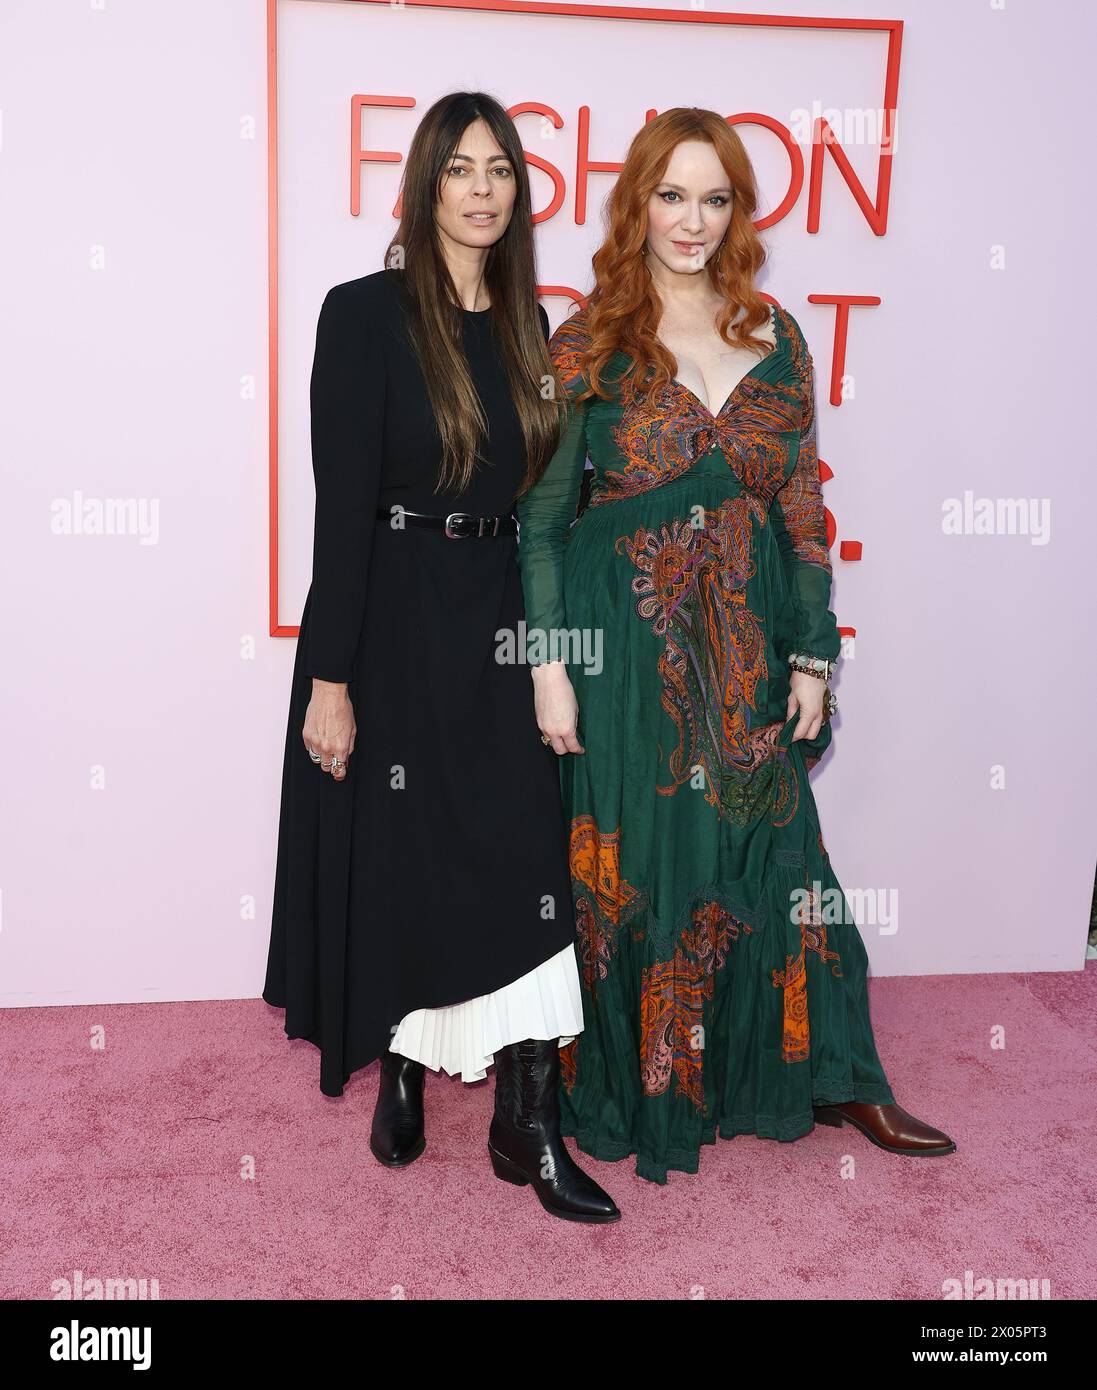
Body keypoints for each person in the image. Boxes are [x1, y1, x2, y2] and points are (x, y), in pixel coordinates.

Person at [516, 107, 956, 1185]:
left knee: (779, 852)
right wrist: (546, 664)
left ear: (737, 211)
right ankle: (636, 1085)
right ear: (636, 203)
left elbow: (801, 502)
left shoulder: (775, 333)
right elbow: (538, 520)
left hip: (750, 645)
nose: (691, 219)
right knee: (642, 871)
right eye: (671, 195)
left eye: (714, 198)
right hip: (621, 651)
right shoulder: (587, 340)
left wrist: (813, 653)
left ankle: (838, 1073)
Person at [263, 91, 620, 1223]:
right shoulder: (361, 314)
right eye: (459, 167)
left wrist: (548, 654)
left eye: (500, 169)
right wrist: (330, 679)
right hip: (394, 613)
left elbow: (547, 515)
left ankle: (528, 1119)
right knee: (405, 851)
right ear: (422, 186)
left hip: (500, 614)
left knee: (522, 860)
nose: (480, 188)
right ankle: (405, 1066)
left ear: (520, 191)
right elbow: (339, 511)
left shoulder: (532, 327)